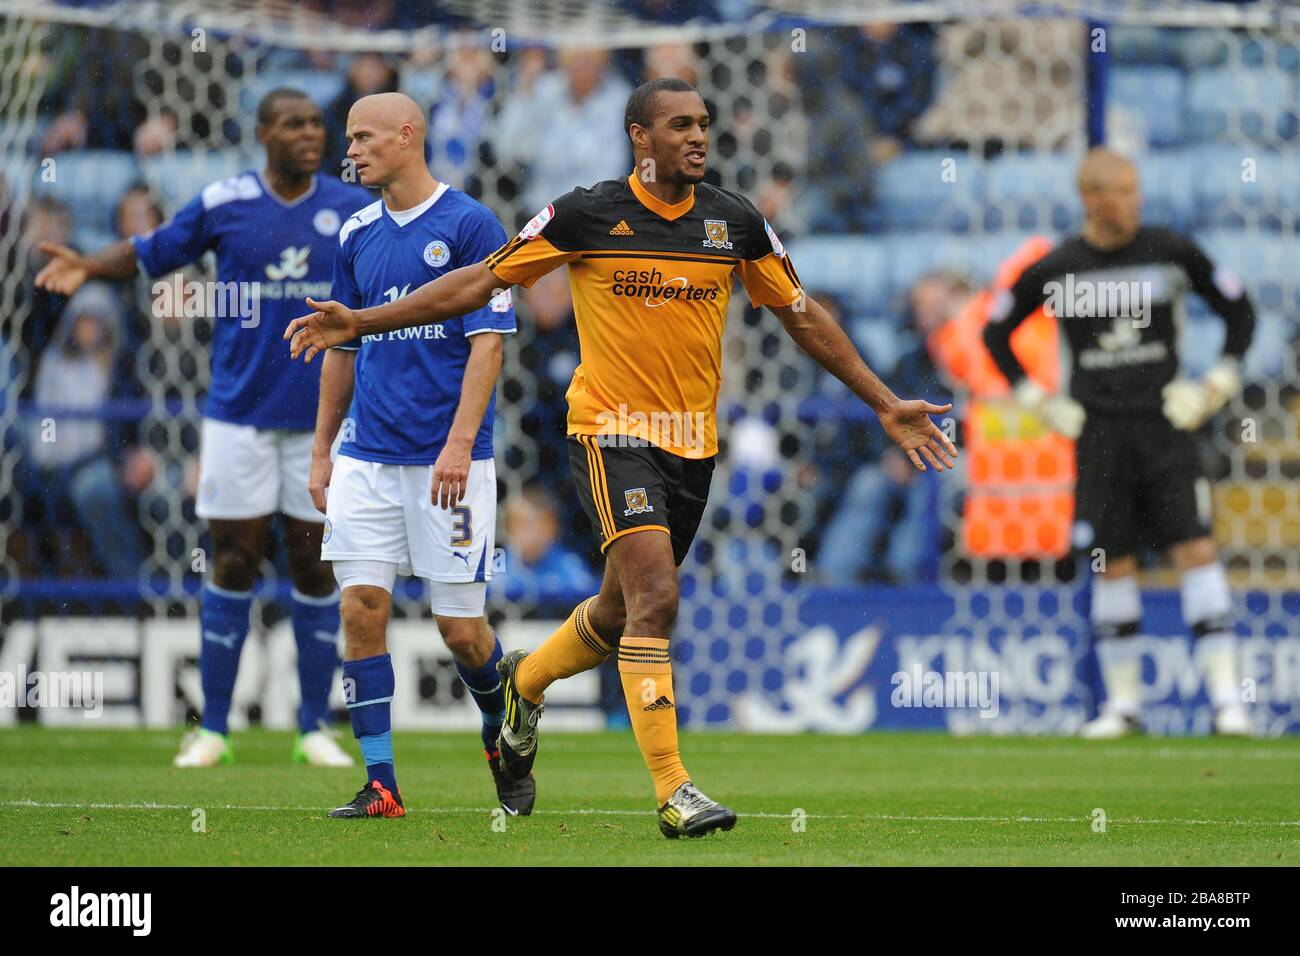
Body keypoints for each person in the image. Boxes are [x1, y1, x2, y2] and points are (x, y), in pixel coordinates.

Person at [286, 77, 957, 838]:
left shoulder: (733, 222)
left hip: (692, 444)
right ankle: (675, 792)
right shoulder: (585, 214)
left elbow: (802, 316)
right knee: (657, 599)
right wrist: (364, 321)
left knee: (614, 612)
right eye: (679, 125)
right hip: (609, 432)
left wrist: (882, 400)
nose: (698, 136)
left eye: (703, 122)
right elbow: (480, 282)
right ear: (640, 136)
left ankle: (522, 689)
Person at [35, 88, 372, 767]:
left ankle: (313, 727)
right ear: (262, 133)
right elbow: (153, 250)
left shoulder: (351, 209)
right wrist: (88, 263)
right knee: (234, 561)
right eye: (293, 124)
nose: (310, 134)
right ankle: (213, 728)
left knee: (314, 568)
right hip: (238, 420)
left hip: (321, 427)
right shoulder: (227, 203)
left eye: (315, 123)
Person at [983, 148, 1257, 738]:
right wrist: (1036, 400)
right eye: (1122, 193)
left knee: (1196, 550)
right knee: (1113, 561)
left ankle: (1228, 702)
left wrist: (1219, 380)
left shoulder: (1171, 251)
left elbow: (1239, 309)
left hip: (1166, 425)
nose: (1134, 203)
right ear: (1091, 199)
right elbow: (995, 329)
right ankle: (1124, 707)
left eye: (1136, 191)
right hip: (1099, 433)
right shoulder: (1058, 267)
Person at [307, 93, 523, 819]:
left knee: (460, 630)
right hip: (366, 456)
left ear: (408, 136)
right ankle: (381, 785)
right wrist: (321, 455)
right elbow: (342, 346)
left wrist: (460, 444)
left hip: (447, 461)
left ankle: (504, 727)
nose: (353, 151)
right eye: (348, 140)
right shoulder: (356, 233)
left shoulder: (469, 225)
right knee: (363, 607)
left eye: (364, 138)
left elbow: (487, 343)